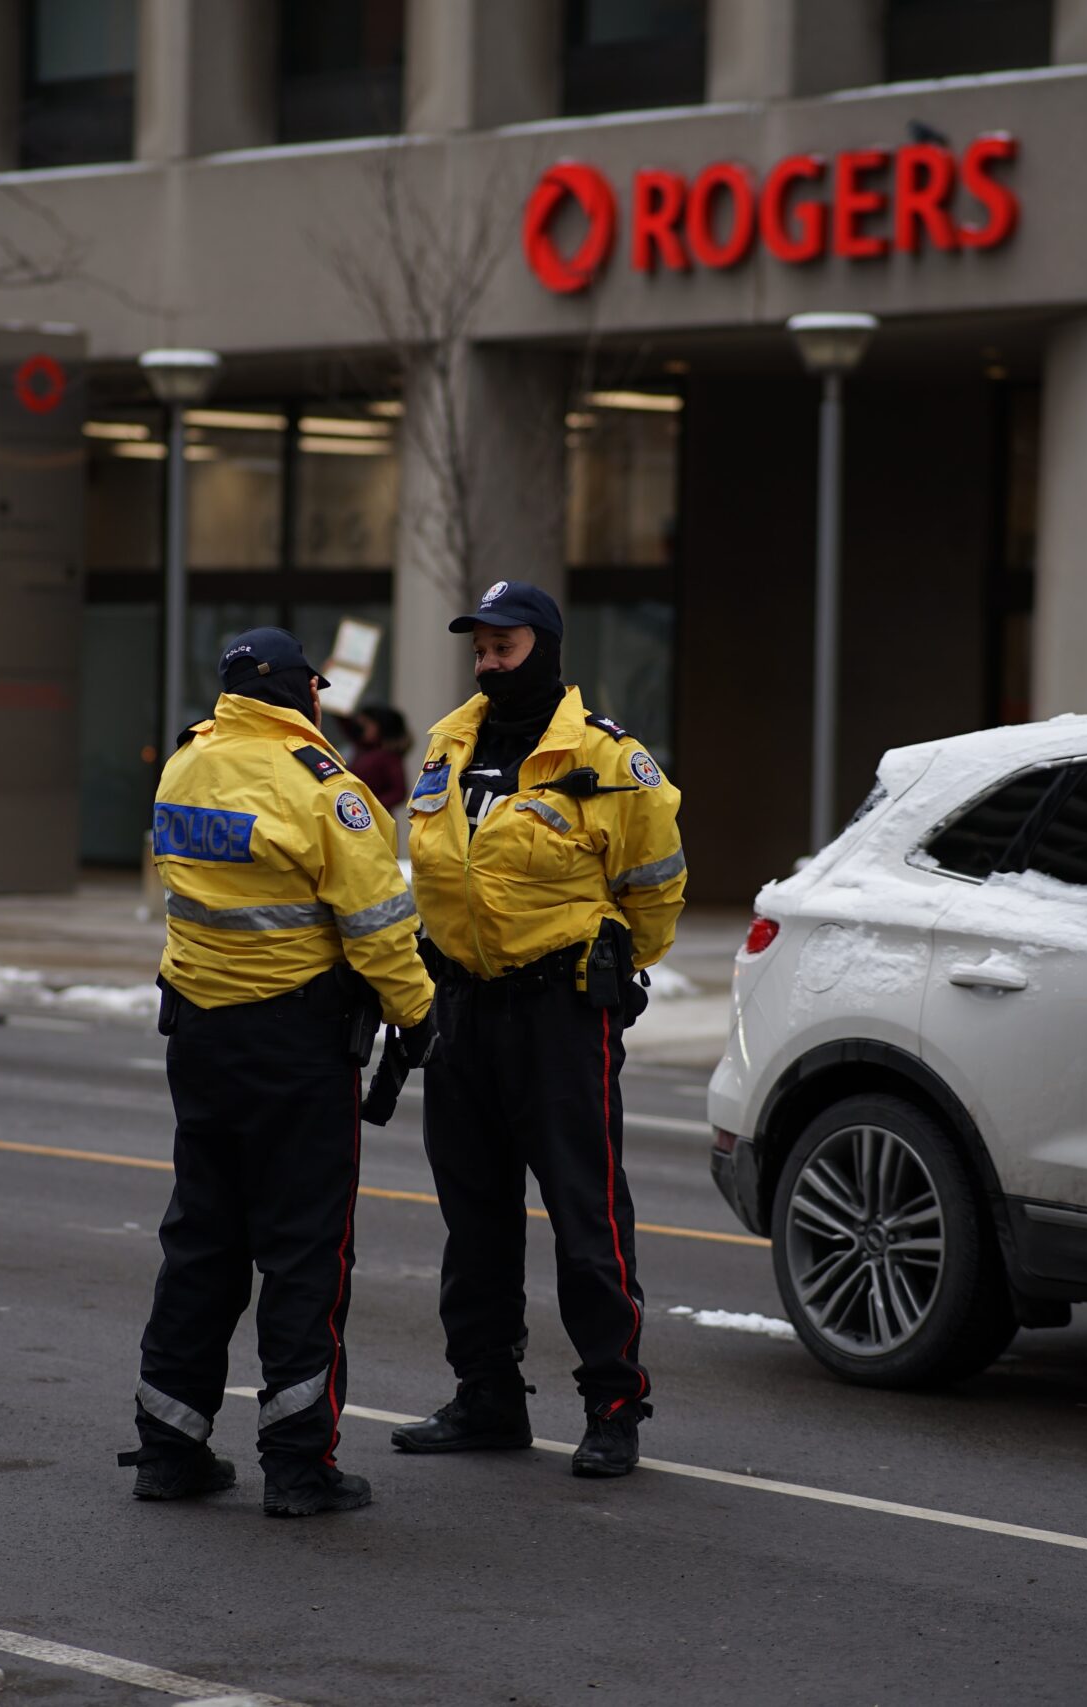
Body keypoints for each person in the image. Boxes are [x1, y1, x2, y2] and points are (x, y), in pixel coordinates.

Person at [123, 626, 435, 1518]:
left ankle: (169, 1448)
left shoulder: (184, 764)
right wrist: (418, 1017)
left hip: (202, 1040)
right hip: (296, 1047)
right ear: (301, 692)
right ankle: (300, 1465)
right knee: (304, 1253)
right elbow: (378, 923)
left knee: (202, 1242)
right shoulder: (321, 786)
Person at [390, 580, 687, 1478]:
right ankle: (486, 1395)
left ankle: (613, 1404)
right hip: (463, 1009)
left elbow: (658, 885)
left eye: (504, 646)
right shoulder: (449, 741)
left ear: (547, 650)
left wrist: (612, 963)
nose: (487, 661)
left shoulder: (605, 759)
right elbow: (437, 870)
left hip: (560, 1016)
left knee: (585, 1217)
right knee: (473, 1219)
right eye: (480, 647)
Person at [347, 704, 411, 809]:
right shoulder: (365, 748)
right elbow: (347, 726)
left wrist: (369, 805)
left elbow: (399, 792)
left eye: (367, 724)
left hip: (371, 818)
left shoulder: (388, 756)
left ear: (381, 726)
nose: (362, 729)